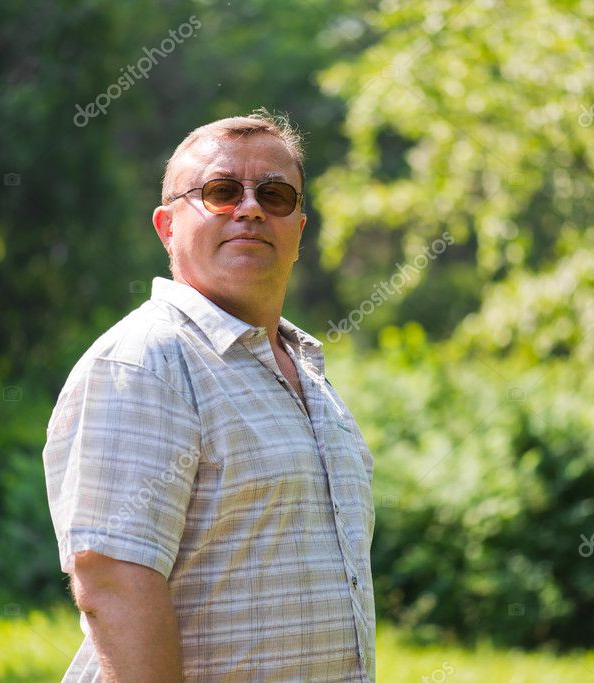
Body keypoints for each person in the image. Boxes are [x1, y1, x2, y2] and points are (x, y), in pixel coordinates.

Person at [42, 111, 376, 682]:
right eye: (220, 192)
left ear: (299, 226)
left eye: (274, 195)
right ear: (166, 226)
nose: (250, 208)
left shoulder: (306, 370)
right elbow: (113, 580)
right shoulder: (147, 359)